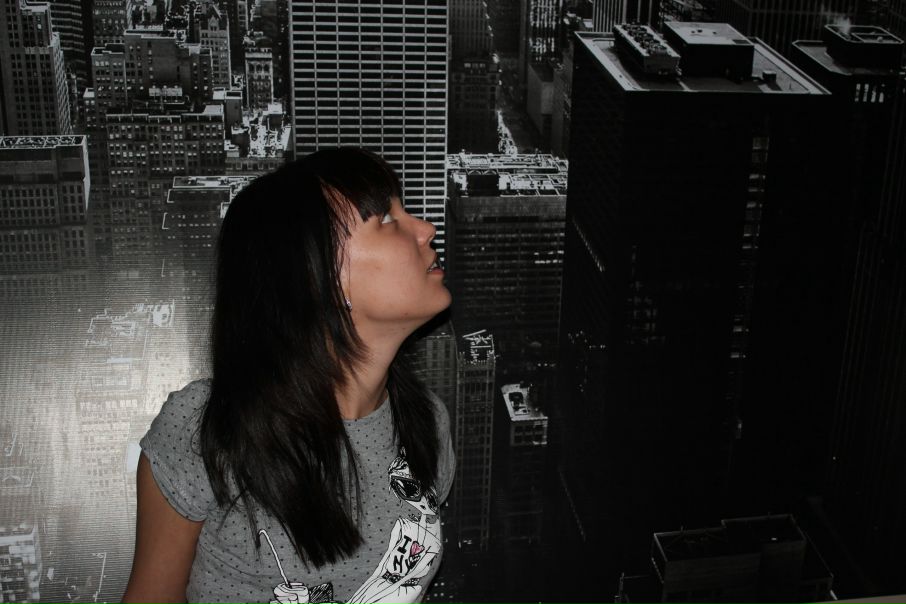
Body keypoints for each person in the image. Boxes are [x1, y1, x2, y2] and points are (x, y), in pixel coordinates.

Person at [122, 148, 456, 604]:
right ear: (315, 277)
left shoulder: (427, 424)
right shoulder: (206, 431)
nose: (425, 229)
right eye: (385, 219)